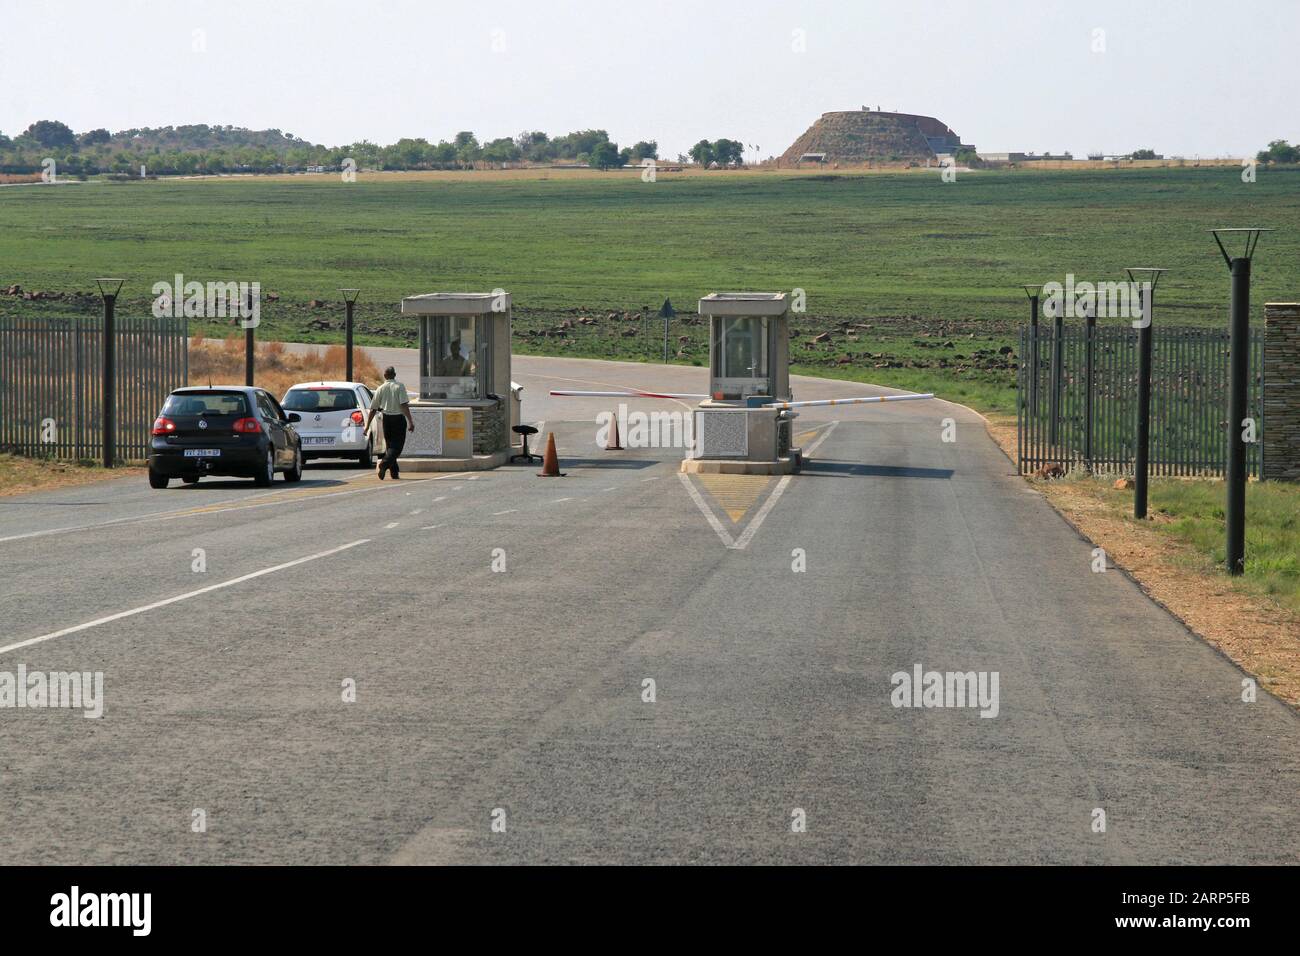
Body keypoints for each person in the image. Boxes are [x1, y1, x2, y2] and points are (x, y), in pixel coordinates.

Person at [365, 366, 415, 479]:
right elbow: (404, 405)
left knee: (390, 446)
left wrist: (367, 426)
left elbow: (373, 409)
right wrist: (410, 421)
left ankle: (394, 472)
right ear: (395, 375)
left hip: (386, 419)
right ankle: (384, 464)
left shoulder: (380, 388)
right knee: (397, 447)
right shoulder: (399, 386)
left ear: (384, 376)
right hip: (398, 418)